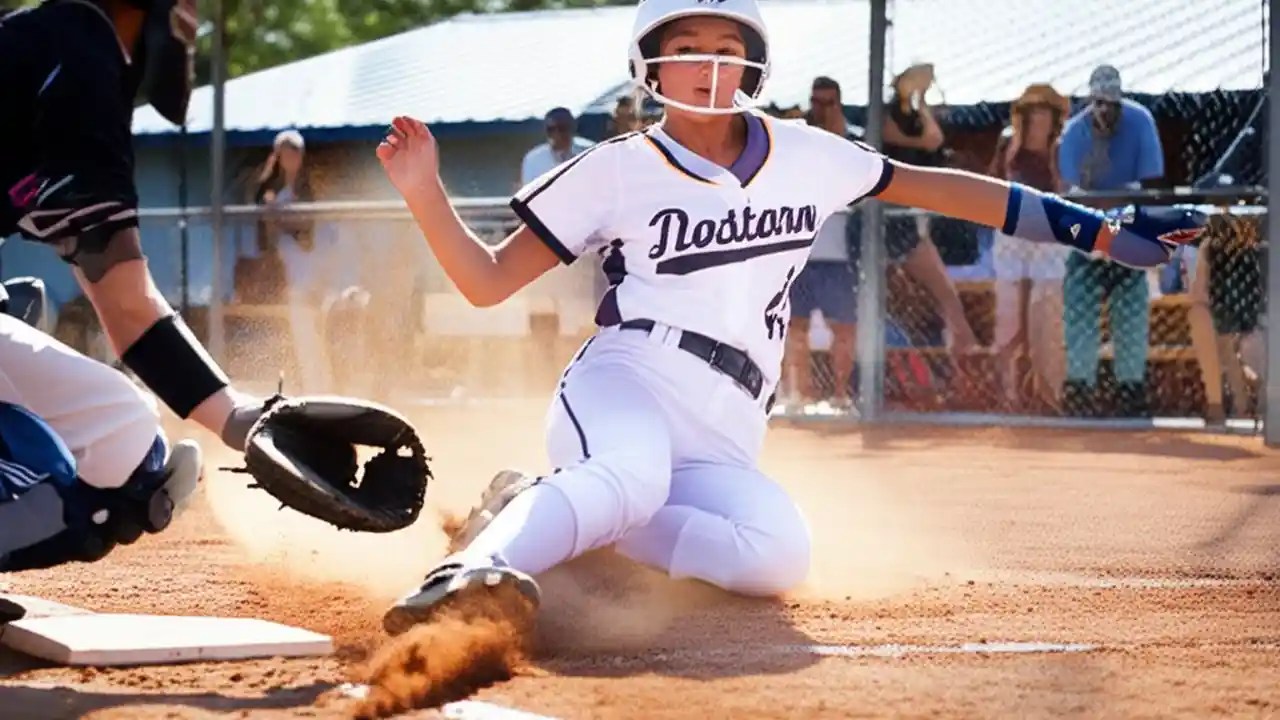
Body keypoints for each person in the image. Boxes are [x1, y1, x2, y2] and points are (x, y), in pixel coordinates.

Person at [373, 0, 1204, 635]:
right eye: (687, 50)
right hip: (628, 377)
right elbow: (486, 283)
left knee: (777, 553)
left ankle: (549, 513)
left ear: (754, 67)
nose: (708, 67)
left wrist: (1099, 231)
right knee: (629, 474)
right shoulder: (617, 169)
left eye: (728, 51)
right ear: (650, 69)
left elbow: (952, 190)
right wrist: (423, 192)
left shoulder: (806, 154)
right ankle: (474, 566)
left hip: (729, 419)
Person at [0, 0, 275, 570]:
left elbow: (123, 299)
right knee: (43, 481)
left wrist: (240, 419)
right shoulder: (78, 50)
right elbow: (127, 299)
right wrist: (236, 419)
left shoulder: (41, 45)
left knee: (124, 450)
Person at [1057, 64, 1166, 417]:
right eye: (1100, 103)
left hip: (1129, 231)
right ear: (1091, 101)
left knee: (1132, 311)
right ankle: (1079, 389)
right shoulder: (1074, 132)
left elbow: (1150, 186)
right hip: (1086, 234)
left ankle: (1131, 389)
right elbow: (1070, 193)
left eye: (1112, 103)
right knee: (1079, 312)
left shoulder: (1140, 121)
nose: (1106, 111)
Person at [987, 83, 1072, 413]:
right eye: (1030, 110)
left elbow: (1064, 188)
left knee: (1045, 314)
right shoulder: (1010, 141)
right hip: (1012, 235)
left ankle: (1049, 395)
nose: (1036, 117)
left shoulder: (1061, 147)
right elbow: (994, 181)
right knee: (1009, 315)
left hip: (1048, 236)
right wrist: (1016, 145)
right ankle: (1009, 395)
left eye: (1044, 110)